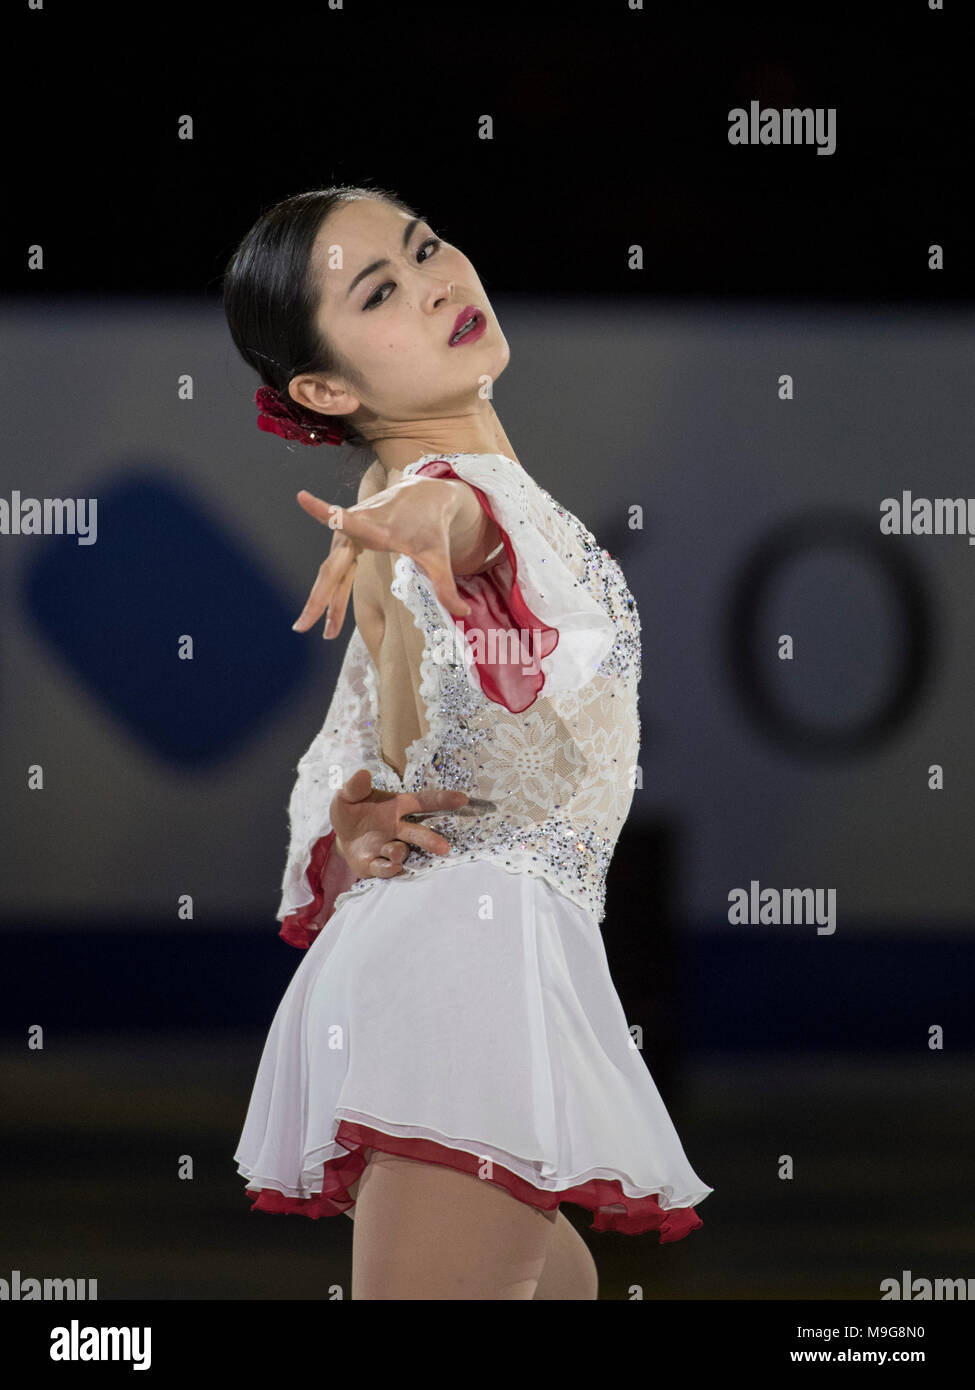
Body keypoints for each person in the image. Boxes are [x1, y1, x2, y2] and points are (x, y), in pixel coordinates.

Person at [223, 184, 713, 1299]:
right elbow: (461, 521)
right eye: (381, 290)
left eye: (428, 245)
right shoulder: (435, 495)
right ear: (326, 387)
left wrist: (353, 811)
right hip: (467, 977)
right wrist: (437, 518)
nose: (440, 278)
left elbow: (356, 740)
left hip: (478, 956)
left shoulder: (409, 492)